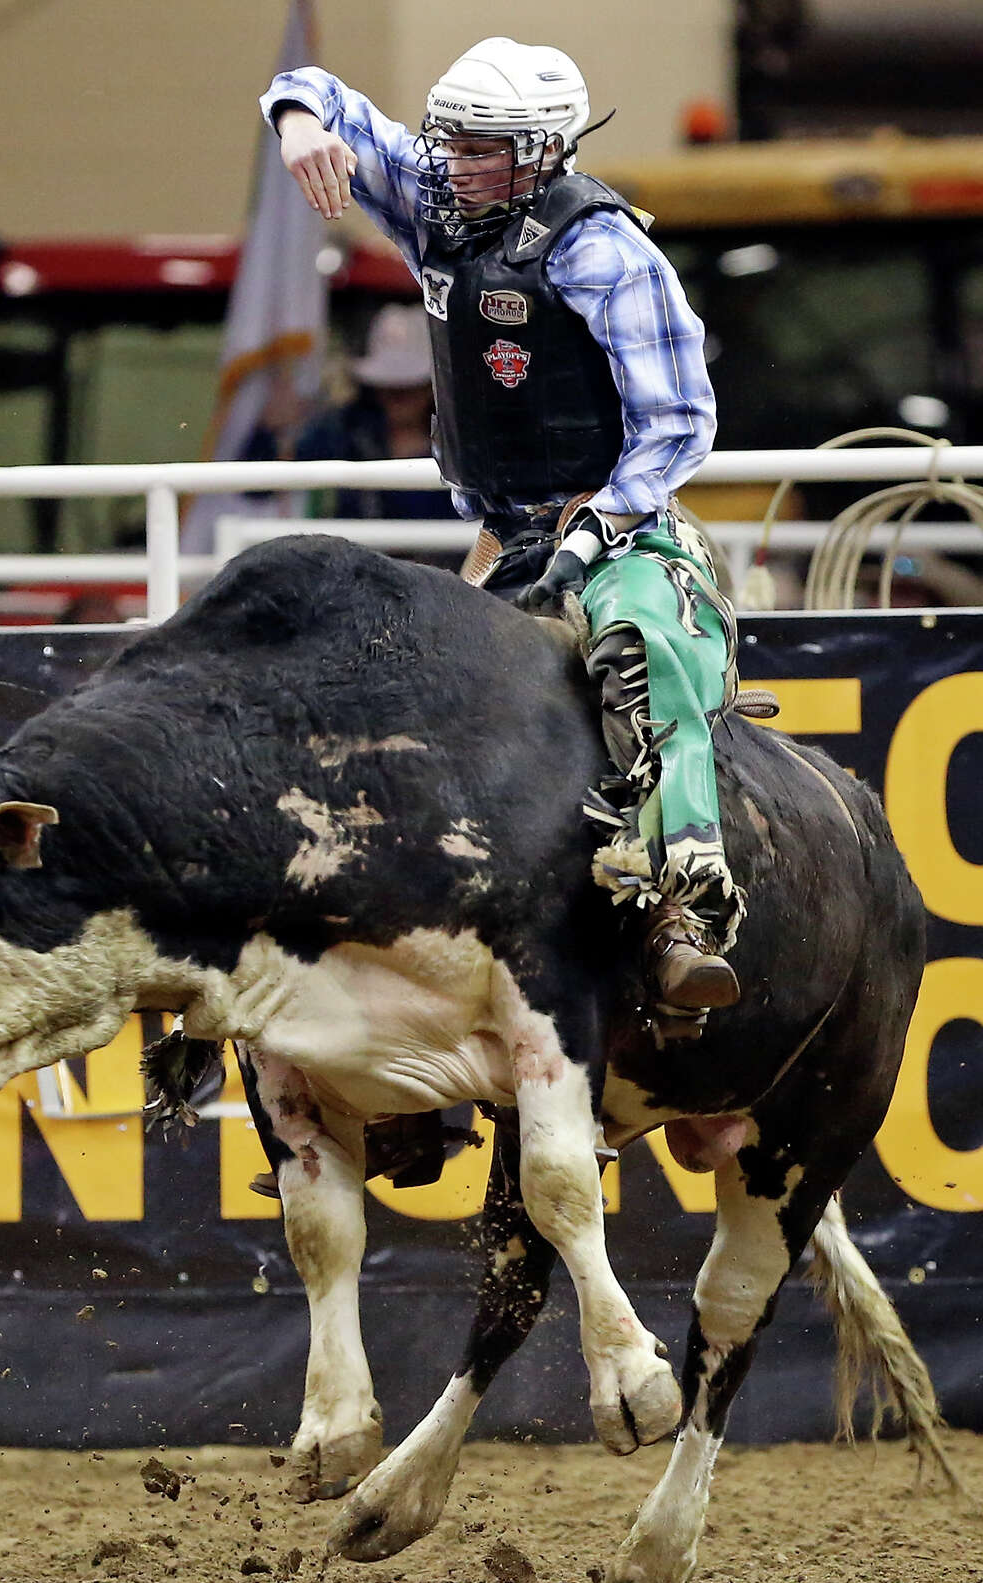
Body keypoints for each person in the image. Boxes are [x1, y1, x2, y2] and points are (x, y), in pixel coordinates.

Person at [262, 37, 741, 1034]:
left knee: (641, 651)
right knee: (401, 691)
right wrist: (301, 125)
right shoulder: (440, 208)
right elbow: (321, 93)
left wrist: (597, 527)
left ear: (540, 153)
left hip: (617, 522)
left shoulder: (606, 252)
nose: (449, 161)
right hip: (500, 534)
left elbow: (679, 424)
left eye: (477, 147)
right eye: (447, 140)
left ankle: (686, 903)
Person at [294, 302, 458, 523]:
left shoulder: (460, 444)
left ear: (432, 386)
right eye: (390, 386)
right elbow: (265, 481)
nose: (399, 396)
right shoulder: (343, 429)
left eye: (409, 386)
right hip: (354, 554)